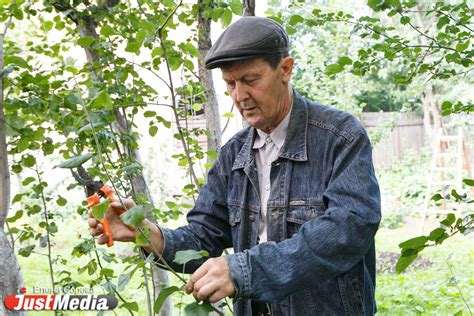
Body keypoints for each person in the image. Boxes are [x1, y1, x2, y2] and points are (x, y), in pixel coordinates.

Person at [88, 16, 381, 315]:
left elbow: (348, 230)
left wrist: (244, 270)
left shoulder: (340, 137)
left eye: (250, 81)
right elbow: (202, 238)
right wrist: (146, 234)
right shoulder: (234, 154)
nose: (240, 96)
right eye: (230, 84)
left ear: (285, 70)